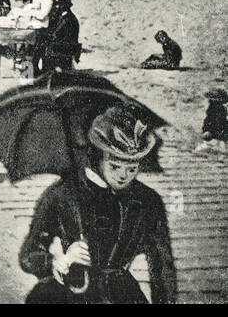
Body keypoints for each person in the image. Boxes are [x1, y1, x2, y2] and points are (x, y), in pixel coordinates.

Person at [19, 106, 176, 304]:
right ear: (99, 157)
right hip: (71, 290)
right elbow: (28, 254)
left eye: (132, 168)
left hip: (121, 294)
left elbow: (162, 267)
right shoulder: (62, 194)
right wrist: (59, 261)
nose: (123, 176)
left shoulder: (147, 201)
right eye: (115, 166)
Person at [40, 0, 81, 73]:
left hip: (65, 45)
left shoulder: (67, 18)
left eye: (60, 5)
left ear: (64, 6)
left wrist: (49, 37)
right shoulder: (67, 16)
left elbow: (58, 33)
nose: (58, 7)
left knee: (43, 46)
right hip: (68, 45)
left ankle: (46, 71)